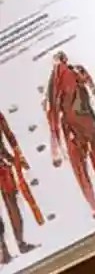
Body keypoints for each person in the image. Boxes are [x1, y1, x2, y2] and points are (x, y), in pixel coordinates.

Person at [45, 53, 95, 219]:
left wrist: (55, 150)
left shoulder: (60, 78)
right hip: (81, 125)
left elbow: (53, 112)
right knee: (93, 163)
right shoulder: (69, 74)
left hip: (78, 126)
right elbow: (93, 92)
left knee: (84, 168)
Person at [0, 110, 37, 263]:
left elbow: (10, 137)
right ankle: (6, 249)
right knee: (11, 206)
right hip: (4, 166)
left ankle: (16, 245)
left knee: (13, 206)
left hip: (4, 168)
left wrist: (15, 158)